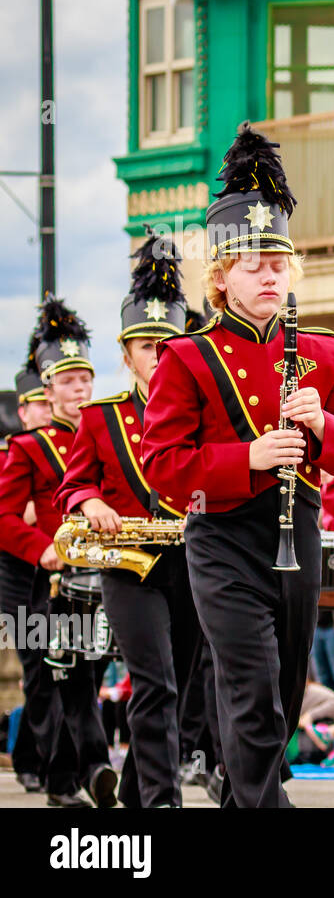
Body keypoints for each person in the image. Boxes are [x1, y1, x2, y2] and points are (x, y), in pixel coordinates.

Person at [141, 123, 334, 807]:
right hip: (221, 537)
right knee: (250, 692)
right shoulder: (187, 357)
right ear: (219, 278)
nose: (270, 275)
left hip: (298, 535)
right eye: (252, 264)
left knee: (281, 689)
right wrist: (248, 456)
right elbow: (163, 464)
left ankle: (245, 789)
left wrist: (321, 424)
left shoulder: (326, 353)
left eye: (278, 263)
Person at [54, 230, 204, 808]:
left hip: (193, 560)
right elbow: (75, 481)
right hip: (128, 565)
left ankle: (142, 790)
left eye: (170, 344)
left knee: (183, 686)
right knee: (156, 681)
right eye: (148, 347)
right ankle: (164, 799)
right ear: (126, 354)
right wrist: (90, 501)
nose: (160, 355)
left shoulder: (204, 413)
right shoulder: (101, 417)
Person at [0, 297, 117, 807]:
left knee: (87, 672)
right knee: (53, 674)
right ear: (48, 390)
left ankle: (70, 776)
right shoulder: (28, 447)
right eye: (69, 382)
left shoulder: (107, 434)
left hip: (99, 575)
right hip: (45, 578)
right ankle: (68, 776)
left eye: (86, 380)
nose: (80, 390)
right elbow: (3, 517)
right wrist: (42, 548)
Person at [0, 361, 54, 794]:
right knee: (36, 665)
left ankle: (51, 758)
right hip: (17, 572)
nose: (47, 409)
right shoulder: (13, 451)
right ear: (23, 411)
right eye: (39, 402)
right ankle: (29, 758)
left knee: (62, 668)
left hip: (60, 570)